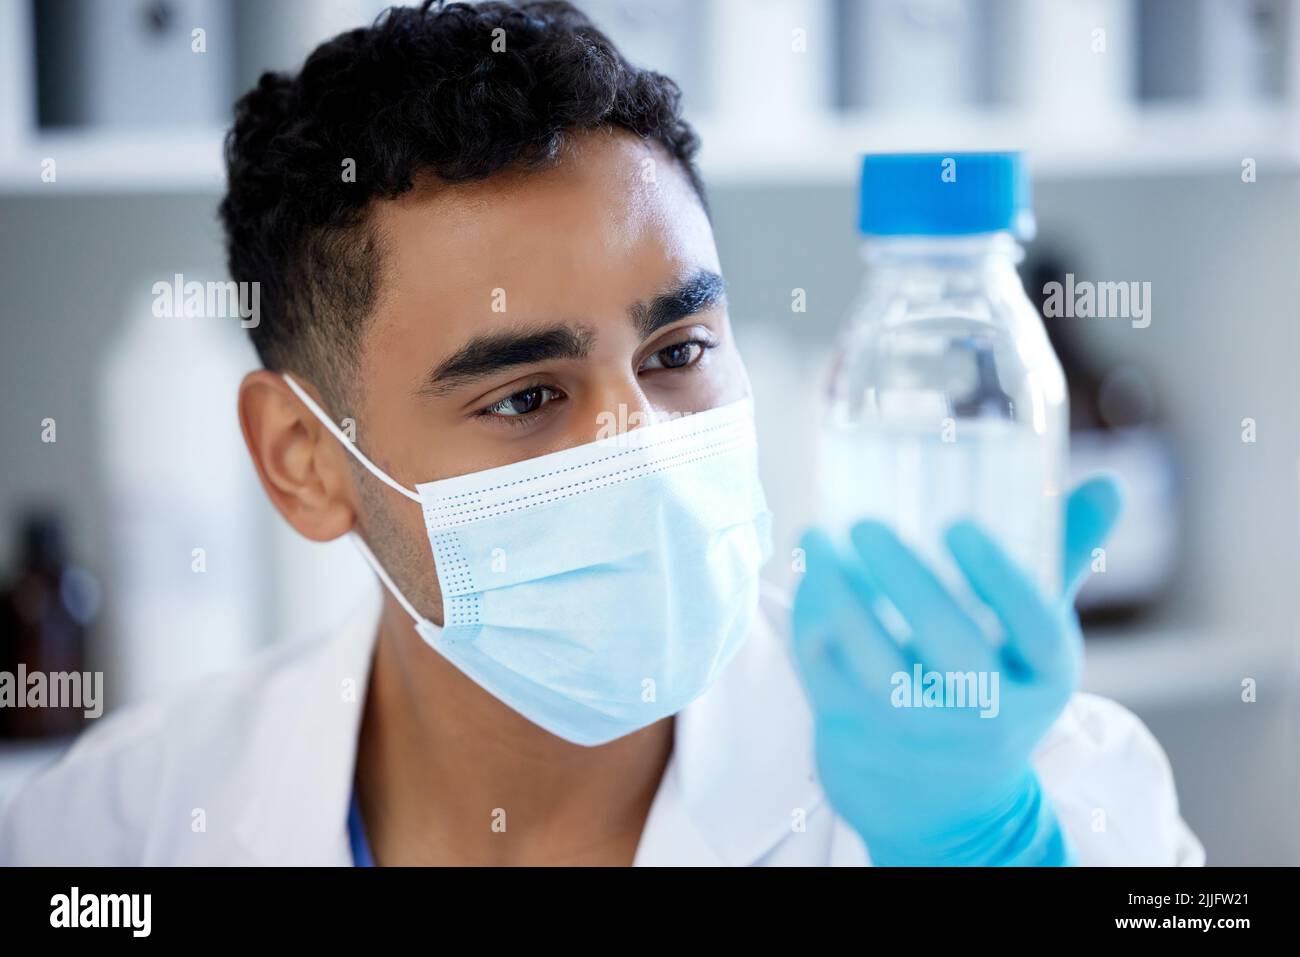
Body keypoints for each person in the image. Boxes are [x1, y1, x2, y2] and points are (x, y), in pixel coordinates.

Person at [0, 0, 1201, 866]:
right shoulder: (125, 832)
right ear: (302, 461)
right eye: (524, 396)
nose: (643, 449)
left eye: (678, 354)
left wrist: (990, 856)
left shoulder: (1025, 788)